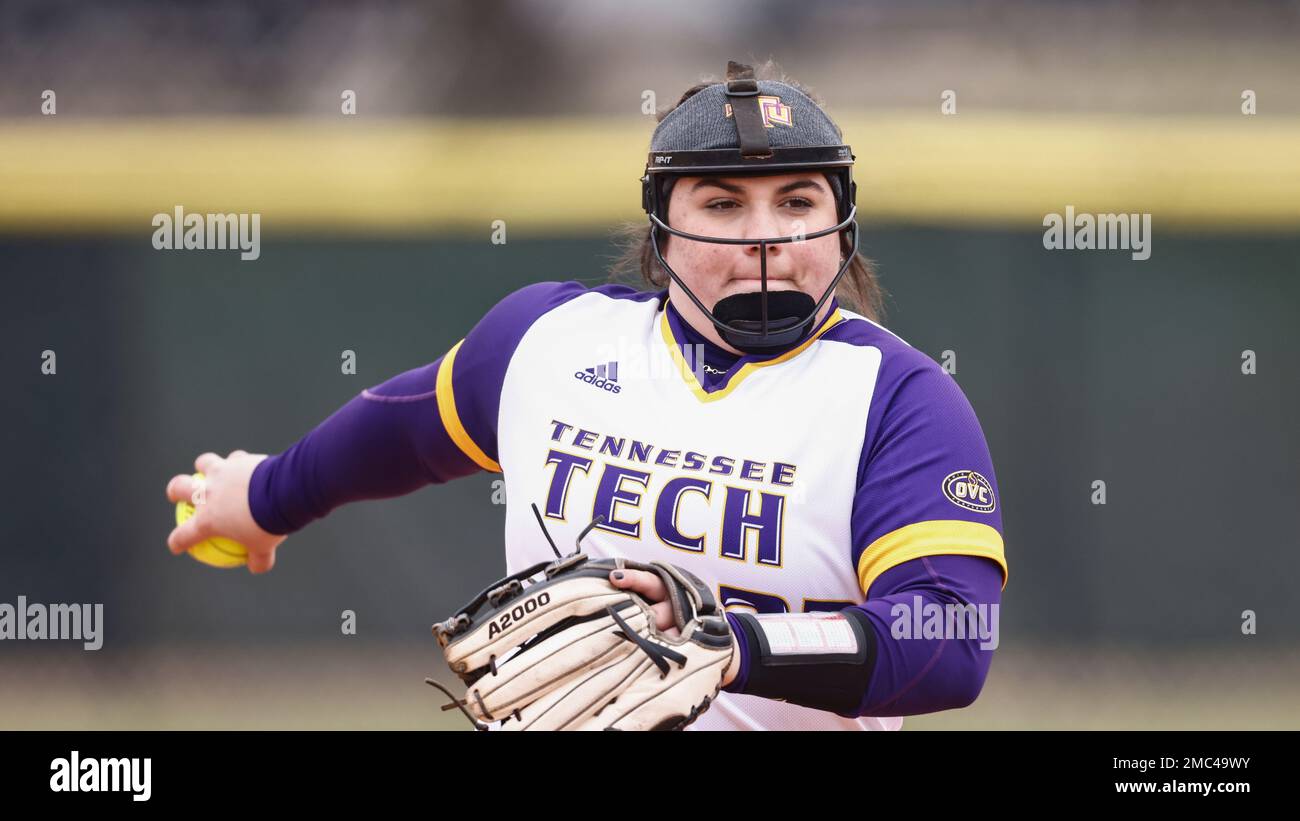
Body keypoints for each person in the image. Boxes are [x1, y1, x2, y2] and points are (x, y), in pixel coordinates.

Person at [164, 60, 1007, 731]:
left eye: (797, 200)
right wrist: (266, 497)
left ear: (842, 224)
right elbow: (399, 431)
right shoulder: (549, 341)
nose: (765, 236)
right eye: (722, 202)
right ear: (662, 227)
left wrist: (732, 642)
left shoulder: (899, 400)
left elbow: (952, 638)